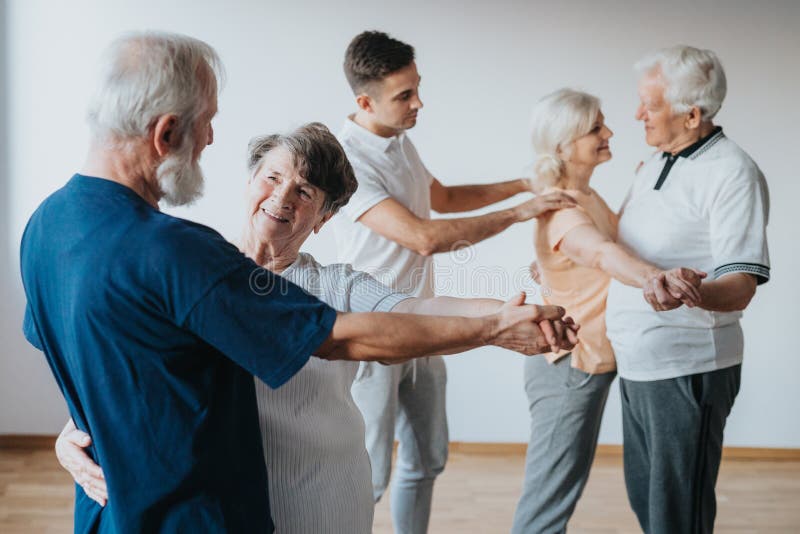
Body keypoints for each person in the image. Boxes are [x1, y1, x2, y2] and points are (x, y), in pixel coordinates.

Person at [20, 32, 577, 533]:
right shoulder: (181, 255)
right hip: (185, 514)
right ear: (167, 132)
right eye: (208, 120)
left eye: (305, 192)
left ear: (324, 217)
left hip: (154, 510)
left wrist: (507, 312)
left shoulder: (46, 225)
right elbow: (340, 338)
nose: (212, 137)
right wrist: (75, 430)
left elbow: (114, 350)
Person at [334, 31, 576, 534]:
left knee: (427, 459)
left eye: (417, 88)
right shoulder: (348, 161)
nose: (419, 102)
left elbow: (442, 198)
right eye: (405, 95)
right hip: (374, 329)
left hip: (426, 319)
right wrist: (520, 211)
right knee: (370, 474)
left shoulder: (399, 140)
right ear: (364, 101)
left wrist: (526, 184)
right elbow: (424, 237)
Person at [511, 88, 704, 534]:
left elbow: (610, 245)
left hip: (592, 362)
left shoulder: (586, 196)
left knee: (560, 491)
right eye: (595, 127)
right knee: (549, 500)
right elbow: (601, 253)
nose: (610, 132)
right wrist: (656, 278)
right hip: (569, 368)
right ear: (563, 144)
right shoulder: (561, 207)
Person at [604, 46, 770, 533]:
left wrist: (690, 292)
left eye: (649, 106)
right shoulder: (655, 161)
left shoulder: (732, 172)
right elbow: (621, 244)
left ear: (692, 115)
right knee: (648, 504)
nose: (637, 115)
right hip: (639, 364)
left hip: (688, 368)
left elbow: (741, 285)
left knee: (678, 515)